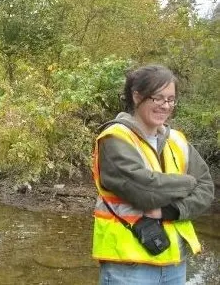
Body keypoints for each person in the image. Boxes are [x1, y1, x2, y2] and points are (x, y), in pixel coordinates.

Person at [91, 65, 215, 285]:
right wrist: (189, 182)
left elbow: (206, 188)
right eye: (158, 98)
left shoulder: (177, 140)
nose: (165, 106)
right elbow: (145, 190)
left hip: (175, 264)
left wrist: (170, 210)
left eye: (171, 100)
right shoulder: (115, 138)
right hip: (128, 266)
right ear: (137, 96)